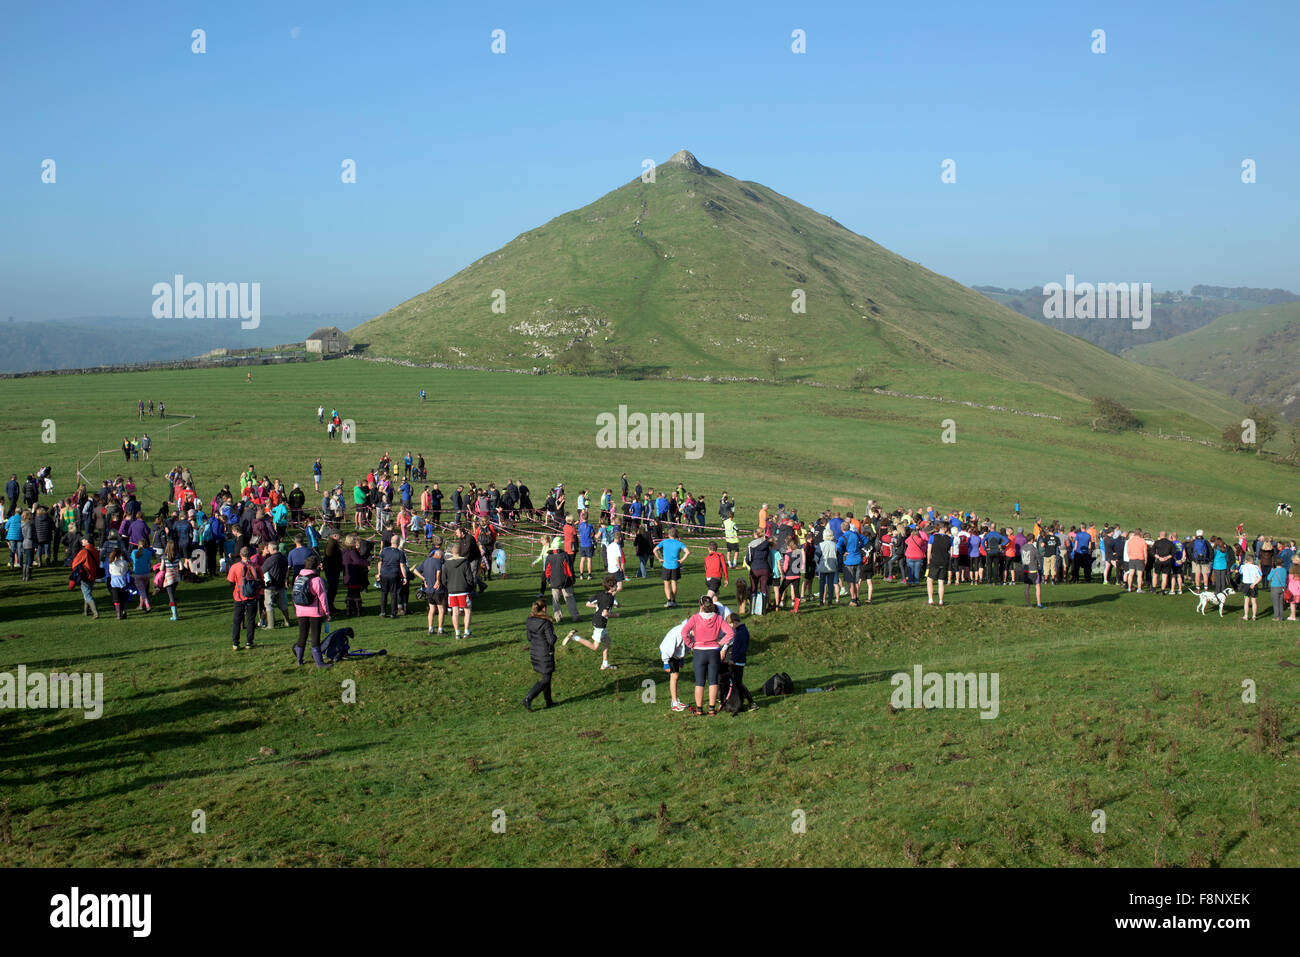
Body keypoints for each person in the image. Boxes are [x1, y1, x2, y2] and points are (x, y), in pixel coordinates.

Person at [681, 596, 736, 716]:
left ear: (700, 606)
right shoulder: (718, 618)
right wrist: (721, 643)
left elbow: (684, 632)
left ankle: (699, 709)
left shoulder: (695, 618)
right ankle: (712, 708)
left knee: (699, 682)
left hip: (699, 651)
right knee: (713, 681)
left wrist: (691, 644)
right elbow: (731, 633)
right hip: (714, 652)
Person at [564, 574, 620, 670]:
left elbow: (588, 604)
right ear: (611, 587)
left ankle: (605, 664)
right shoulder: (610, 599)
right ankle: (574, 637)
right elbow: (605, 613)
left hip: (596, 619)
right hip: (600, 623)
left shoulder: (601, 594)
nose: (617, 586)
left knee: (607, 640)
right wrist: (615, 615)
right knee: (594, 647)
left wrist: (598, 607)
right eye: (615, 585)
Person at [291, 554, 333, 668]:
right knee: (315, 637)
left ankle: (299, 660)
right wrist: (327, 612)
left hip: (301, 611)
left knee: (302, 635)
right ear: (316, 566)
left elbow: (295, 594)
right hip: (315, 612)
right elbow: (322, 598)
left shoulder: (298, 577)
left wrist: (297, 608)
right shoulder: (317, 579)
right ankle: (319, 663)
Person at [523, 599, 558, 711]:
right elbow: (551, 640)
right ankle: (528, 698)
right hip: (545, 653)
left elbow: (529, 638)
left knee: (547, 677)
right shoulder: (546, 623)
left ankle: (549, 701)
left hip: (535, 652)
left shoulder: (529, 621)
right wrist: (555, 636)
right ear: (544, 608)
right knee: (546, 679)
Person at [227, 545, 261, 649]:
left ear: (241, 555)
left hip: (239, 596)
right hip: (252, 596)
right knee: (251, 619)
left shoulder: (235, 567)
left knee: (237, 620)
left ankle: (235, 643)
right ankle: (249, 642)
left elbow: (230, 582)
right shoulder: (255, 566)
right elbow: (261, 579)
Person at [443, 537, 477, 639]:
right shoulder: (465, 562)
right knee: (467, 610)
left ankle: (457, 633)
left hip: (452, 590)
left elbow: (443, 579)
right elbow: (470, 577)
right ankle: (466, 631)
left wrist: (448, 587)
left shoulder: (446, 564)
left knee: (455, 611)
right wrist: (469, 587)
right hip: (463, 590)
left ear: (451, 552)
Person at [658, 617, 691, 713]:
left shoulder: (689, 633)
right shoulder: (678, 634)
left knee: (676, 676)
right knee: (674, 676)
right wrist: (665, 663)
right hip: (667, 653)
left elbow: (687, 645)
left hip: (675, 653)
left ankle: (676, 700)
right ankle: (674, 703)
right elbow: (668, 649)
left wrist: (682, 658)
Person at [414, 539, 447, 634]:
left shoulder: (426, 561)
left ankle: (430, 629)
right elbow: (439, 571)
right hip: (437, 590)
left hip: (428, 590)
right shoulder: (438, 562)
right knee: (441, 609)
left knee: (431, 609)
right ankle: (440, 630)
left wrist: (424, 578)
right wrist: (437, 580)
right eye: (441, 557)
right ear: (438, 556)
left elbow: (415, 571)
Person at [544, 540, 579, 624]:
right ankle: (575, 616)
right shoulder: (564, 556)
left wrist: (549, 580)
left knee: (555, 600)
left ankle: (558, 617)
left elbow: (547, 571)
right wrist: (572, 579)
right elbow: (568, 569)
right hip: (565, 581)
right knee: (569, 599)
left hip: (554, 582)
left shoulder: (549, 557)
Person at [654, 527, 690, 609]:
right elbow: (687, 552)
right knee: (674, 583)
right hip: (675, 566)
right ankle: (674, 601)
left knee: (666, 584)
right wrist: (681, 560)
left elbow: (654, 550)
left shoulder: (664, 542)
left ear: (668, 534)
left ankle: (668, 600)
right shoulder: (679, 543)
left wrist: (659, 558)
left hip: (666, 566)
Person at [261, 541, 292, 627]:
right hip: (281, 585)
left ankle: (271, 625)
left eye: (269, 548)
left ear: (272, 548)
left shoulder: (270, 559)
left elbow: (262, 570)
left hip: (271, 586)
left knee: (268, 604)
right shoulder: (284, 558)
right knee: (283, 605)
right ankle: (287, 622)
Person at [377, 534, 409, 618]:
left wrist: (379, 573)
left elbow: (380, 562)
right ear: (398, 543)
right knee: (393, 594)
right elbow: (402, 566)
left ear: (391, 541)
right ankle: (393, 613)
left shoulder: (384, 550)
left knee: (384, 593)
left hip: (384, 574)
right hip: (394, 574)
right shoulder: (400, 553)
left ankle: (383, 612)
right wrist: (404, 577)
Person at [926, 523, 951, 606]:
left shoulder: (933, 537)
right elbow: (951, 552)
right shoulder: (949, 538)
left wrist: (928, 561)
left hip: (935, 561)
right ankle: (941, 600)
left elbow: (929, 551)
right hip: (944, 561)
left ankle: (930, 599)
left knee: (930, 580)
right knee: (941, 582)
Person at [129, 538, 155, 613]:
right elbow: (149, 563)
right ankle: (141, 605)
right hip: (146, 573)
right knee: (142, 590)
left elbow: (132, 562)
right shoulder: (148, 553)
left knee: (142, 591)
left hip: (137, 574)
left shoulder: (134, 552)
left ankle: (147, 605)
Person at [1021, 533, 1043, 608]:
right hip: (1033, 570)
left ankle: (1028, 604)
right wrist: (1039, 564)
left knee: (1027, 586)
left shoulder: (1023, 548)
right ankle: (1039, 604)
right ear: (1032, 540)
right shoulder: (1034, 549)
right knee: (1038, 586)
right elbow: (1039, 559)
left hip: (1025, 570)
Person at [108, 547, 131, 619]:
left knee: (116, 600)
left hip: (114, 583)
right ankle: (124, 611)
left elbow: (110, 572)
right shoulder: (124, 563)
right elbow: (126, 570)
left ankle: (118, 614)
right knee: (123, 598)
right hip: (122, 582)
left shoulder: (111, 563)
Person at [1238, 551, 1261, 620]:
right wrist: (1254, 583)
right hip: (1253, 584)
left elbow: (1240, 572)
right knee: (1254, 601)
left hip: (1246, 584)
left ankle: (1246, 615)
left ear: (1246, 560)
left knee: (1246, 600)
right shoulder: (1256, 567)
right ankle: (1254, 616)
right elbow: (1260, 576)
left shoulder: (1243, 566)